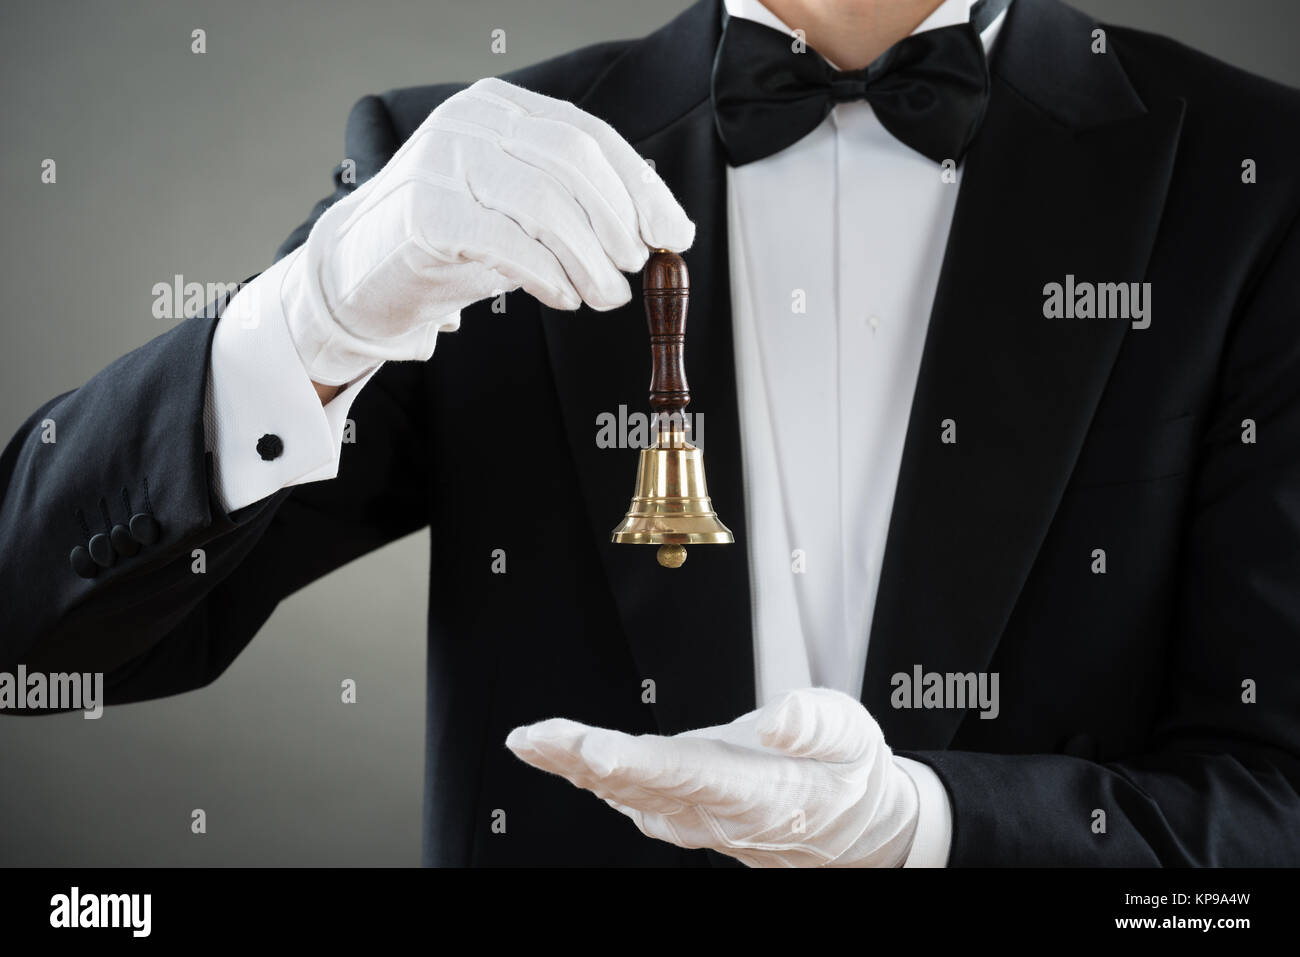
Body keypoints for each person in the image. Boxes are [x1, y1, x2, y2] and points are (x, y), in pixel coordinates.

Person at [3, 0, 1299, 867]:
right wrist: (315, 313)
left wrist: (927, 827)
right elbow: (32, 637)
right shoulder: (470, 164)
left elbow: (1275, 804)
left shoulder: (1258, 178)